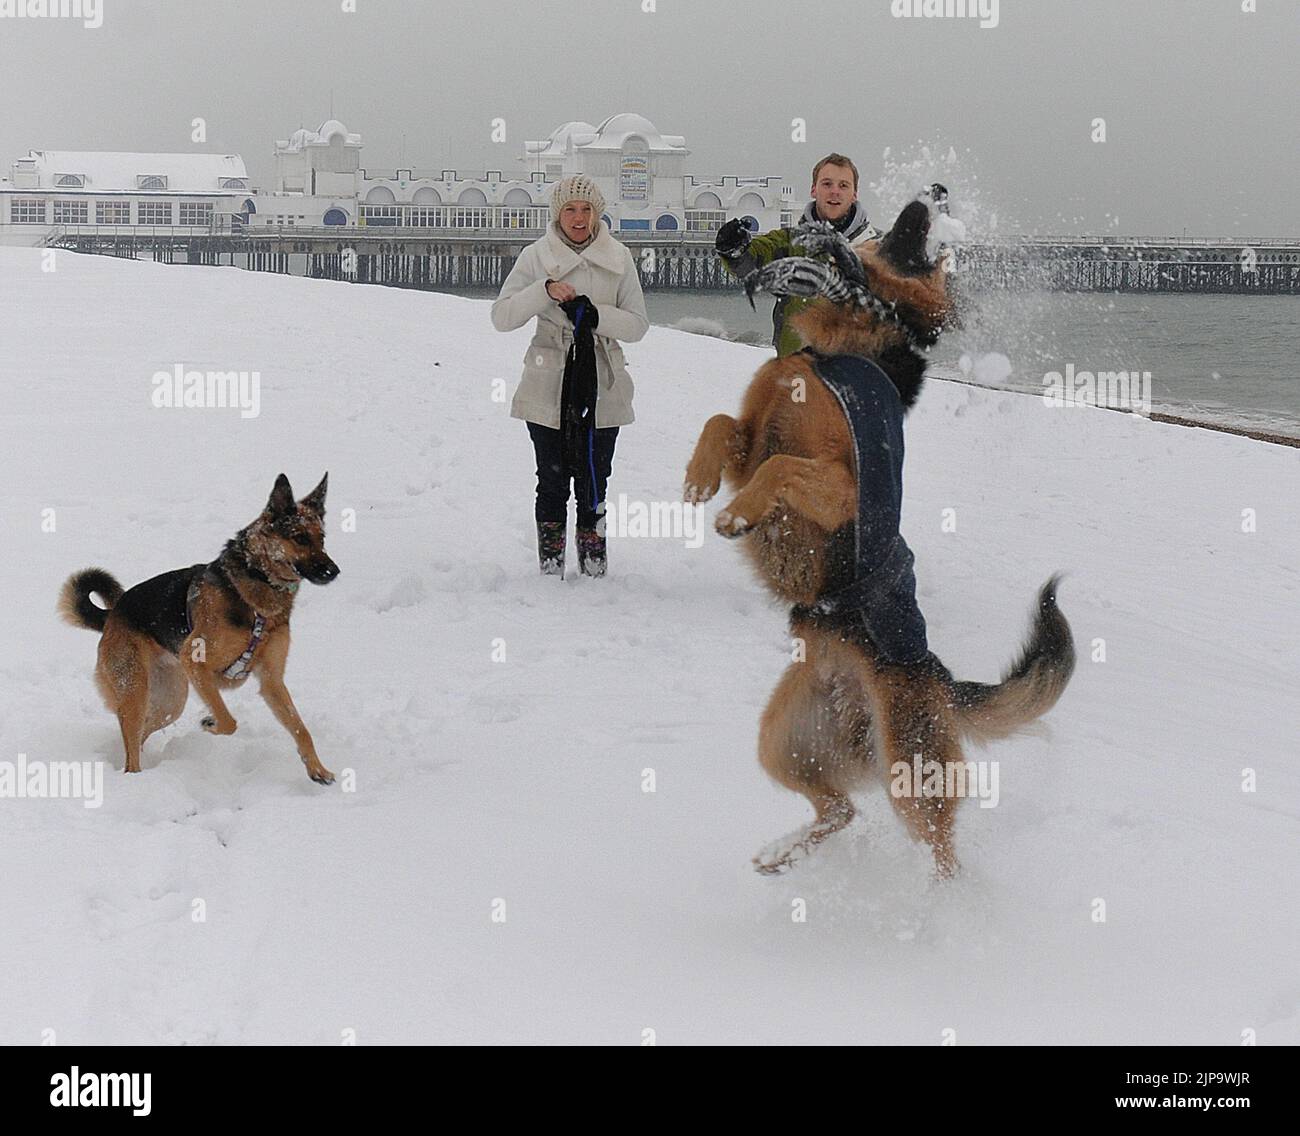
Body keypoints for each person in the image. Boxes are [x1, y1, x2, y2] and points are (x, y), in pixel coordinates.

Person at [491, 175, 649, 578]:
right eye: (570, 209)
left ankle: (595, 566)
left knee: (595, 482)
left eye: (586, 209)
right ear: (556, 214)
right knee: (552, 479)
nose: (579, 218)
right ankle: (551, 567)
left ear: (598, 213)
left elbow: (638, 324)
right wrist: (543, 289)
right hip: (548, 380)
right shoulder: (535, 256)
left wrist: (597, 317)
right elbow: (502, 316)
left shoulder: (619, 257)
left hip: (602, 383)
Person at [715, 152, 878, 357]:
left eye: (843, 185)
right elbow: (751, 265)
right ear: (813, 190)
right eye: (827, 184)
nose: (835, 192)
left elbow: (916, 288)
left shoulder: (878, 248)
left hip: (861, 378)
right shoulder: (790, 244)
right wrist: (734, 249)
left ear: (854, 193)